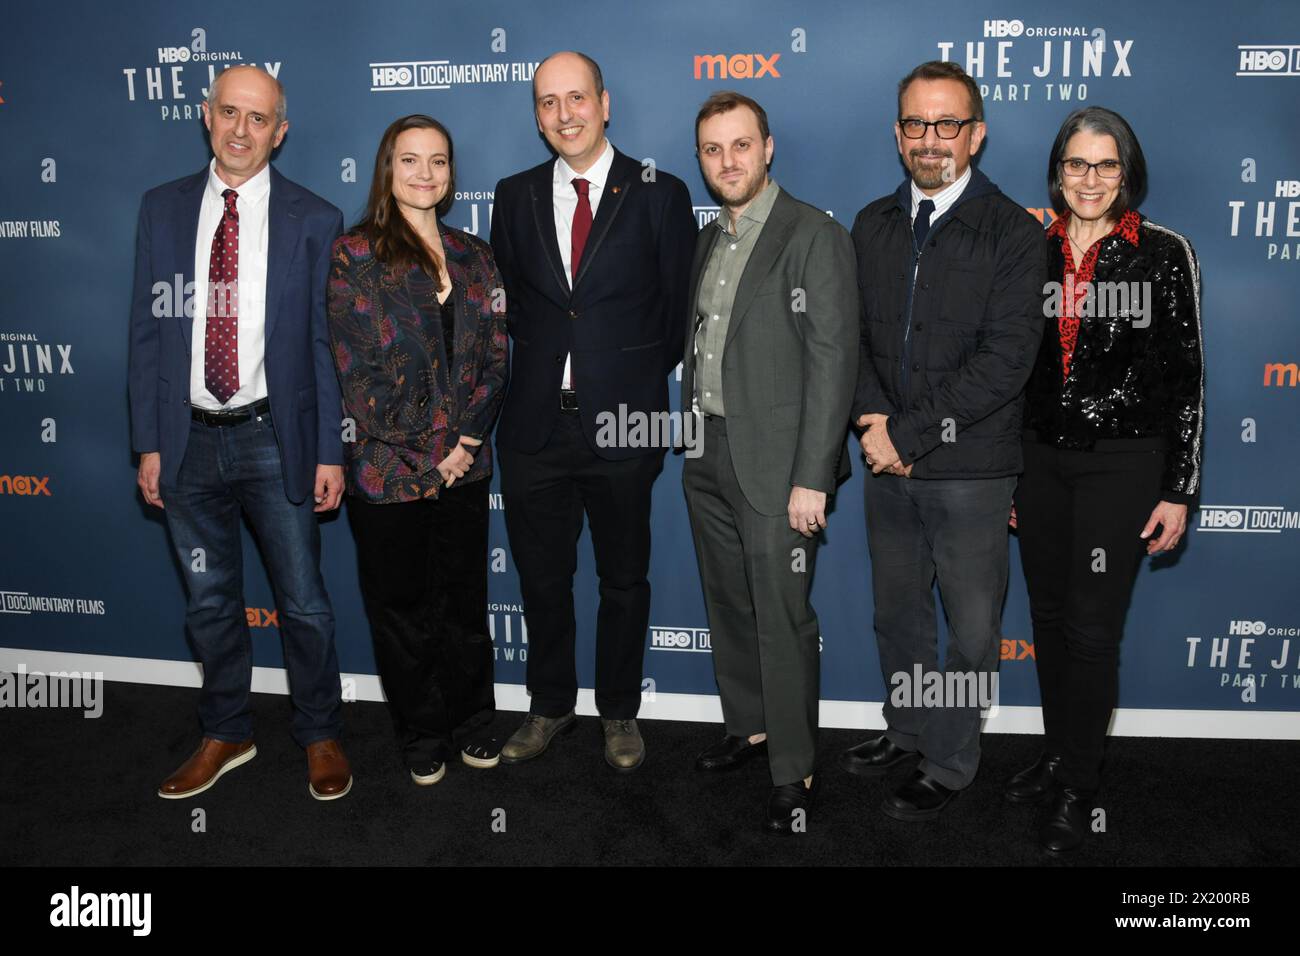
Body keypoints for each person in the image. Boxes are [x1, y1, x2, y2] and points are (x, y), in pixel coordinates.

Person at [129, 65, 352, 801]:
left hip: (272, 439)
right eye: (230, 112)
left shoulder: (315, 219)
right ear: (206, 114)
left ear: (279, 132)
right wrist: (149, 443)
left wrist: (328, 452)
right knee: (208, 601)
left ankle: (319, 732)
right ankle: (225, 730)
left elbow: (324, 346)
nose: (241, 130)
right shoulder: (161, 209)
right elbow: (146, 334)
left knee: (305, 602)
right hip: (186, 443)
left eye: (259, 119)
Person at [843, 61, 1046, 820]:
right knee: (897, 616)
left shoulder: (1017, 235)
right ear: (898, 135)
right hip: (885, 463)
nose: (932, 140)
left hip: (971, 470)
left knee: (968, 631)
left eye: (948, 124)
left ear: (977, 133)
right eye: (917, 125)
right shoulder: (871, 223)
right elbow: (851, 339)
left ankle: (951, 759)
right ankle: (906, 728)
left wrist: (906, 433)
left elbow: (1005, 361)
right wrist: (871, 421)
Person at [489, 51, 696, 771]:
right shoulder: (512, 196)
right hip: (533, 427)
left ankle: (618, 712)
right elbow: (510, 309)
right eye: (549, 102)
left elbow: (676, 317)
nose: (565, 114)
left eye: (577, 98)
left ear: (605, 103)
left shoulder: (659, 192)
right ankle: (547, 706)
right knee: (542, 581)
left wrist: (623, 377)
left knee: (623, 580)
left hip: (626, 423)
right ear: (537, 114)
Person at [1007, 106, 1203, 852]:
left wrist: (1178, 488)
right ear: (1058, 171)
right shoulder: (1032, 249)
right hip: (1037, 460)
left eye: (1106, 165)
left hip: (1124, 465)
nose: (1090, 180)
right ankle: (1060, 752)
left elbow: (1187, 379)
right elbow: (1013, 366)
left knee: (1091, 629)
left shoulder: (1161, 252)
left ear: (1128, 172)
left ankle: (1080, 785)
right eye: (1076, 165)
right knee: (1051, 621)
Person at [683, 92, 858, 833]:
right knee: (729, 603)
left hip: (782, 463)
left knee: (783, 619)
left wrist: (812, 475)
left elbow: (833, 361)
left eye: (740, 146)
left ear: (768, 148)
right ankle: (749, 726)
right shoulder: (710, 236)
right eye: (713, 149)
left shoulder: (813, 234)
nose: (728, 161)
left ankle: (795, 766)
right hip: (708, 449)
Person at [327, 115, 508, 786]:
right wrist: (432, 456)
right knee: (403, 612)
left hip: (466, 466)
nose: (425, 173)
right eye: (410, 161)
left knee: (463, 607)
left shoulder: (475, 255)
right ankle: (420, 733)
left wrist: (464, 443)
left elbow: (496, 355)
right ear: (387, 169)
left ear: (451, 173)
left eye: (437, 161)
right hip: (388, 472)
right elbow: (359, 377)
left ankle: (472, 723)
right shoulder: (355, 255)